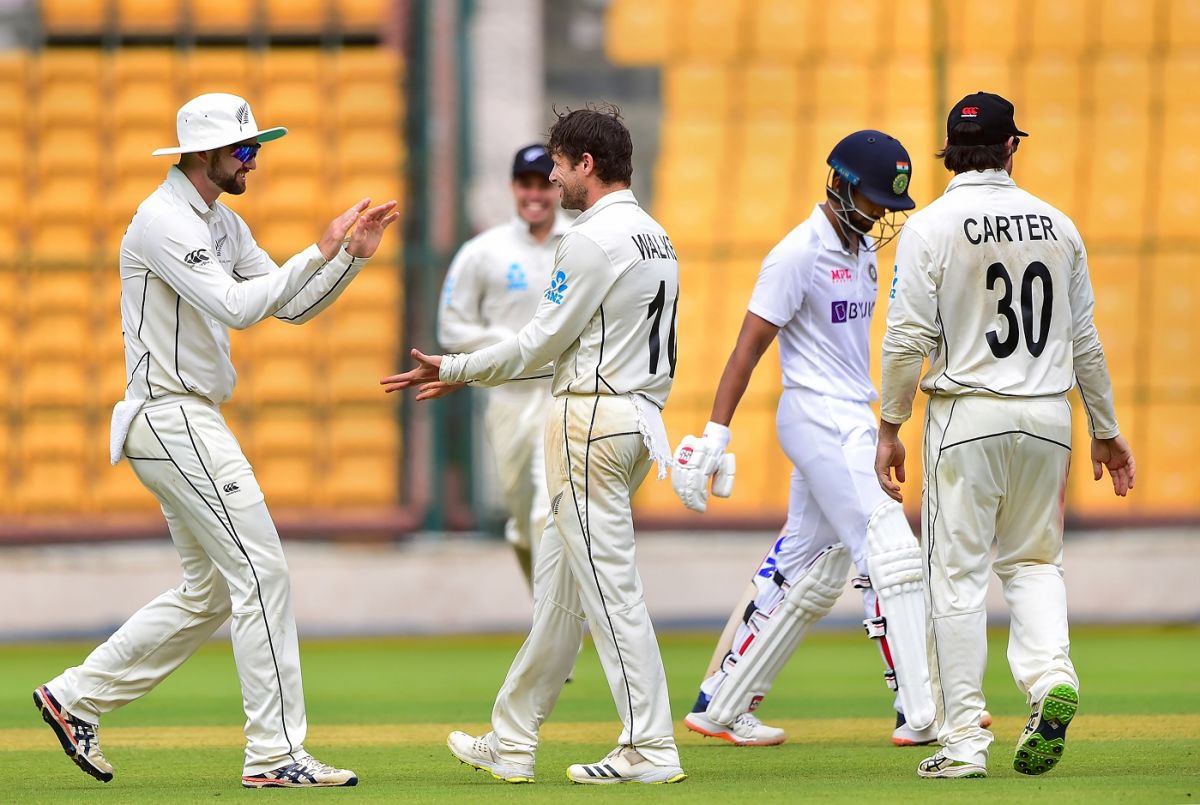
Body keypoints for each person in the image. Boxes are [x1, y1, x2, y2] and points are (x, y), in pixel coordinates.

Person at [32, 93, 399, 789]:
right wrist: (317, 247)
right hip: (170, 415)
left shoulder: (221, 222)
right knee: (262, 573)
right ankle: (275, 754)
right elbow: (235, 308)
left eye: (255, 149)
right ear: (202, 154)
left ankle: (74, 697)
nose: (253, 162)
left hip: (186, 418)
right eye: (244, 150)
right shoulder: (162, 221)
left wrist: (348, 259)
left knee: (211, 593)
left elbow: (287, 306)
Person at [382, 106, 686, 785]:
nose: (550, 178)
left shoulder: (588, 239)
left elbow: (537, 344)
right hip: (636, 418)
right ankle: (513, 738)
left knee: (610, 591)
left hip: (589, 424)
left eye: (558, 164)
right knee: (560, 594)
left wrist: (456, 368)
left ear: (586, 163)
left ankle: (651, 747)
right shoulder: (655, 236)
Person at [875, 92, 1135, 779]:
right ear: (1011, 147)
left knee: (955, 577)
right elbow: (1084, 339)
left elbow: (906, 338)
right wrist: (1106, 430)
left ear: (948, 153)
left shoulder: (931, 227)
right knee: (1033, 563)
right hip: (1048, 416)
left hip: (967, 415)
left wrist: (889, 424)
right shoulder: (1060, 226)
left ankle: (963, 739)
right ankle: (1051, 680)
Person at [671, 130, 938, 748]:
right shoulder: (797, 253)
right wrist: (715, 433)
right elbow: (748, 348)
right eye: (871, 201)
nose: (877, 217)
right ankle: (922, 709)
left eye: (885, 207)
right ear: (839, 183)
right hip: (816, 416)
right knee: (889, 550)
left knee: (807, 565)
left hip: (849, 414)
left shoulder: (861, 251)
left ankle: (721, 703)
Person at [437, 144, 572, 592]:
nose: (534, 195)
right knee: (521, 518)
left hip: (563, 395)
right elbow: (451, 326)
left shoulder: (579, 244)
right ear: (514, 188)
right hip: (509, 398)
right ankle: (545, 610)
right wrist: (510, 350)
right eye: (525, 185)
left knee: (546, 511)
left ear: (557, 187)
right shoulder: (484, 252)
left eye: (543, 185)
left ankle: (551, 635)